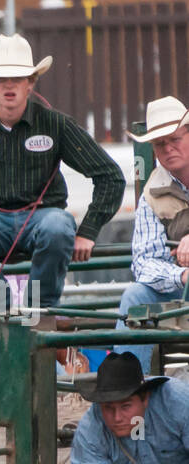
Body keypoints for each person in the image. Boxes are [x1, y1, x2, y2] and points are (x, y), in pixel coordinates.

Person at [0, 34, 124, 316]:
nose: (9, 85)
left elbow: (110, 176)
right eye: (2, 78)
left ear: (31, 83)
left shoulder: (56, 124)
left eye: (18, 78)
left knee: (58, 227)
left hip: (43, 216)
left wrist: (88, 232)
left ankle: (40, 311)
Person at [116, 96, 189, 372]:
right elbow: (144, 262)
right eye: (160, 144)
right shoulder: (151, 195)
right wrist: (181, 275)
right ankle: (127, 393)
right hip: (183, 290)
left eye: (175, 139)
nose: (168, 148)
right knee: (135, 297)